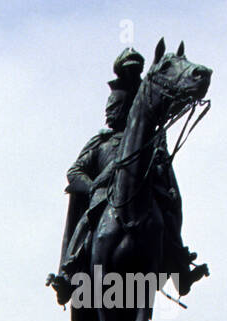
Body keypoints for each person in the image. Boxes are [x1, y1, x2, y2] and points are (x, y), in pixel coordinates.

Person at [47, 48, 201, 305]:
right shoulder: (101, 142)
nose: (112, 111)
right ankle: (68, 269)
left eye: (117, 106)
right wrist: (95, 185)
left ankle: (179, 264)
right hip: (104, 193)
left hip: (143, 185)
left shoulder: (150, 136)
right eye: (112, 106)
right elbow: (74, 172)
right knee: (88, 218)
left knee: (169, 205)